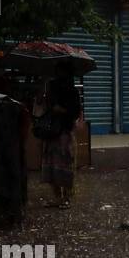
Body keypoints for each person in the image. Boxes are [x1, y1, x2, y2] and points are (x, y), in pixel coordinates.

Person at [39, 61, 80, 208]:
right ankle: (58, 197)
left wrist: (61, 110)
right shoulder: (51, 88)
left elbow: (75, 112)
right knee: (52, 165)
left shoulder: (72, 91)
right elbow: (45, 107)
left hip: (64, 131)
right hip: (51, 132)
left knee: (65, 163)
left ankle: (66, 197)